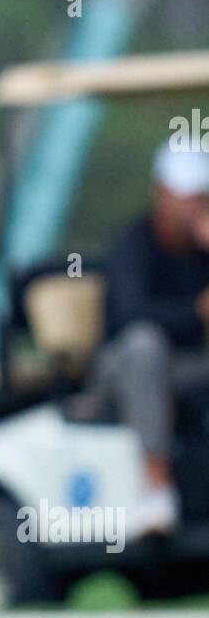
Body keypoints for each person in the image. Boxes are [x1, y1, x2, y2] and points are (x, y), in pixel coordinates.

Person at [95, 144, 209, 536]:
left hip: (186, 368)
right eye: (186, 197)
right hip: (120, 373)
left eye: (200, 198)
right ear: (162, 193)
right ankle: (157, 488)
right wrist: (196, 312)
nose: (194, 207)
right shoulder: (132, 245)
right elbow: (130, 316)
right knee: (145, 345)